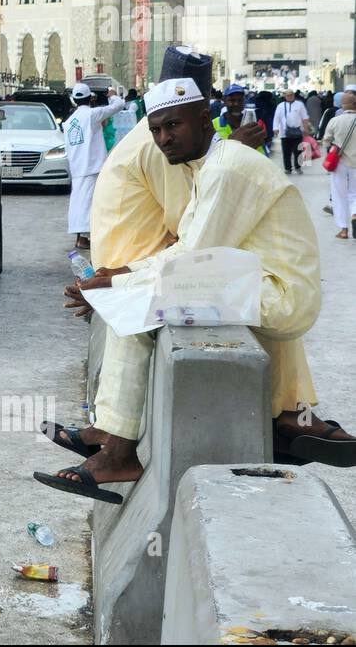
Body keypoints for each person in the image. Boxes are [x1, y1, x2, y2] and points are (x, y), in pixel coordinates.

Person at [41, 78, 354, 502]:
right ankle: (284, 420)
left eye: (174, 126)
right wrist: (120, 273)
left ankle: (117, 449)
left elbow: (190, 257)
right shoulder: (210, 164)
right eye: (156, 131)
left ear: (204, 120)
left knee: (141, 304)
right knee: (134, 298)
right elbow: (187, 248)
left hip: (280, 295)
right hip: (255, 281)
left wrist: (117, 280)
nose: (164, 139)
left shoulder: (226, 169)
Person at [63, 82, 123, 252]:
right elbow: (118, 106)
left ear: (74, 100)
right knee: (90, 203)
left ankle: (81, 237)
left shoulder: (68, 122)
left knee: (79, 203)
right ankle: (83, 239)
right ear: (91, 98)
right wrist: (112, 95)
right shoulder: (92, 114)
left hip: (77, 167)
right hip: (92, 166)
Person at [322, 91, 356, 239]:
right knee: (355, 194)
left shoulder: (335, 120)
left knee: (339, 195)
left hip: (340, 163)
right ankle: (354, 213)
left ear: (342, 105)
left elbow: (326, 140)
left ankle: (343, 229)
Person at [273, 88, 310, 174]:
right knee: (286, 152)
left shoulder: (299, 105)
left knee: (298, 151)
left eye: (291, 95)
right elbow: (276, 118)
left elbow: (304, 118)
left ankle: (298, 167)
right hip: (284, 132)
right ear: (285, 96)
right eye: (288, 95)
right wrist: (275, 128)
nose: (290, 97)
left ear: (294, 95)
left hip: (297, 131)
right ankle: (288, 168)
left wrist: (306, 129)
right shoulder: (280, 106)